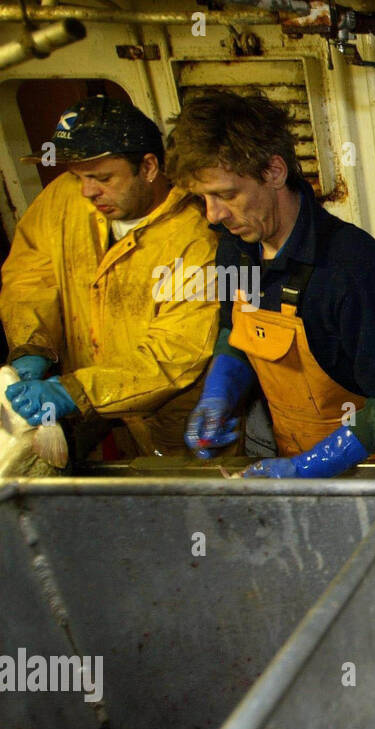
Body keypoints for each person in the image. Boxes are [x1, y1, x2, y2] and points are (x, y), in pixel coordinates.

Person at [166, 90, 375, 478]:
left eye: (226, 195)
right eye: (203, 198)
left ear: (274, 172)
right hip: (289, 458)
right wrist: (218, 393)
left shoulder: (354, 269)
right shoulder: (235, 251)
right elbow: (235, 330)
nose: (213, 214)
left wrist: (306, 468)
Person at [1, 96, 219, 458]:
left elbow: (174, 354)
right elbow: (31, 274)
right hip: (83, 383)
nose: (88, 191)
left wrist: (76, 391)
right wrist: (32, 345)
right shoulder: (65, 197)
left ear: (148, 167)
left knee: (193, 501)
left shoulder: (196, 239)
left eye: (102, 177)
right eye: (78, 176)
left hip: (174, 415)